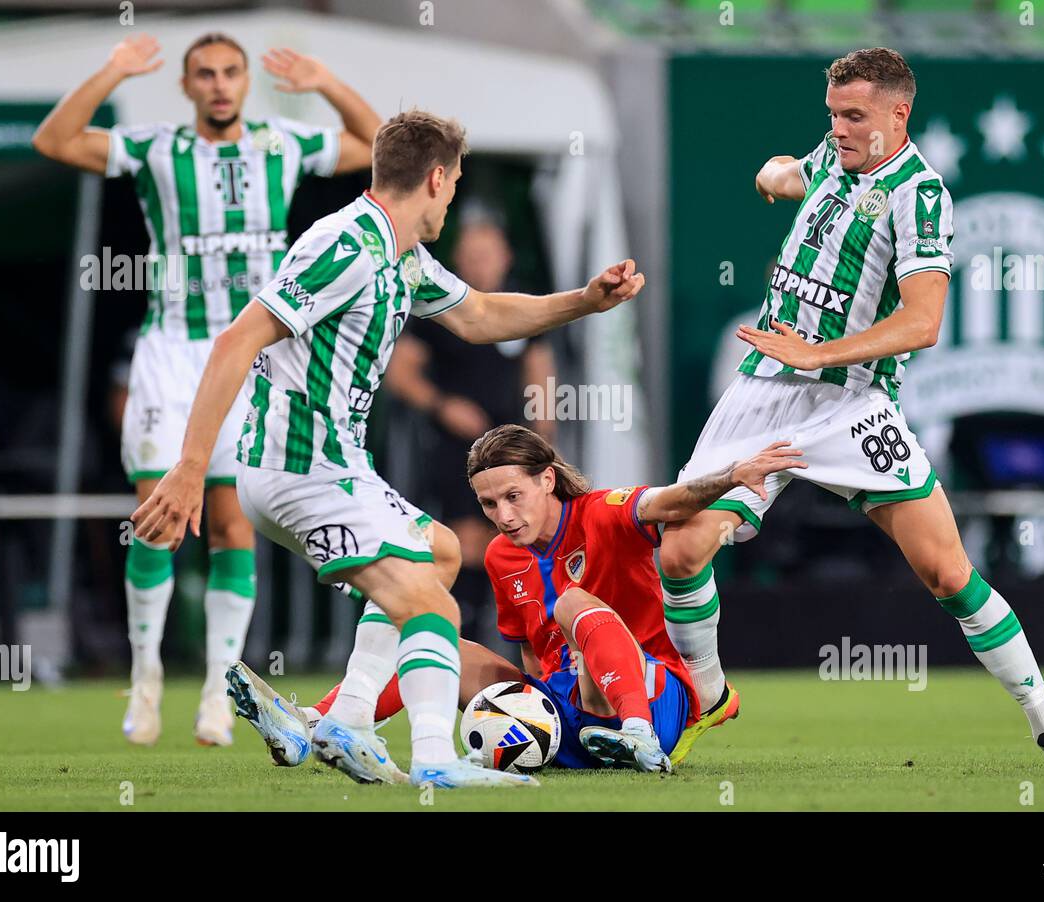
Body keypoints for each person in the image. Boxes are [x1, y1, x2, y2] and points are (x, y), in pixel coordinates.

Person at [131, 109, 646, 789]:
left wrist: (584, 300)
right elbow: (235, 341)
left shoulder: (400, 253)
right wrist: (192, 468)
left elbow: (479, 316)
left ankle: (343, 719)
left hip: (335, 467)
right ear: (436, 178)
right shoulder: (344, 245)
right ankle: (436, 758)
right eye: (455, 181)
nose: (455, 196)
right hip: (296, 467)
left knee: (440, 552)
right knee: (433, 607)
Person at [657, 47, 1044, 767]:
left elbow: (923, 323)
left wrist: (817, 352)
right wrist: (776, 173)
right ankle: (709, 697)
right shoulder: (837, 155)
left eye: (854, 115)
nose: (838, 127)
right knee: (680, 550)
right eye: (832, 113)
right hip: (765, 391)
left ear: (899, 116)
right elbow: (796, 169)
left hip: (853, 404)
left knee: (947, 573)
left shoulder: (920, 194)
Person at [33, 32, 383, 746]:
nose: (220, 85)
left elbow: (381, 148)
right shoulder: (157, 147)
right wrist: (112, 68)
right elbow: (54, 140)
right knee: (157, 515)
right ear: (187, 87)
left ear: (246, 83)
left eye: (231, 73)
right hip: (172, 353)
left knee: (231, 524)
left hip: (252, 350)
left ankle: (219, 695)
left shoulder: (282, 143)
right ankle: (145, 679)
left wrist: (326, 82)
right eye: (206, 75)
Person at [227, 424, 804, 773]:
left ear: (548, 480)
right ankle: (309, 724)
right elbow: (531, 655)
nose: (504, 516)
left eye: (513, 496)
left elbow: (675, 501)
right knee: (432, 636)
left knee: (573, 604)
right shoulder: (504, 557)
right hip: (563, 715)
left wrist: (733, 475)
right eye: (488, 505)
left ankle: (639, 738)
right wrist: (525, 707)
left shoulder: (603, 512)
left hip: (653, 694)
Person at [385, 211, 557, 645]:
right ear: (459, 258)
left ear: (506, 257)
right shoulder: (438, 309)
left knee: (517, 538)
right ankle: (460, 640)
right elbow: (400, 373)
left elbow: (540, 372)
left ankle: (519, 642)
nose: (481, 263)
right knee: (465, 539)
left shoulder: (521, 306)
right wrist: (444, 406)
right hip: (454, 447)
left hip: (512, 448)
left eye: (489, 253)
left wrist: (543, 437)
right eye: (472, 254)